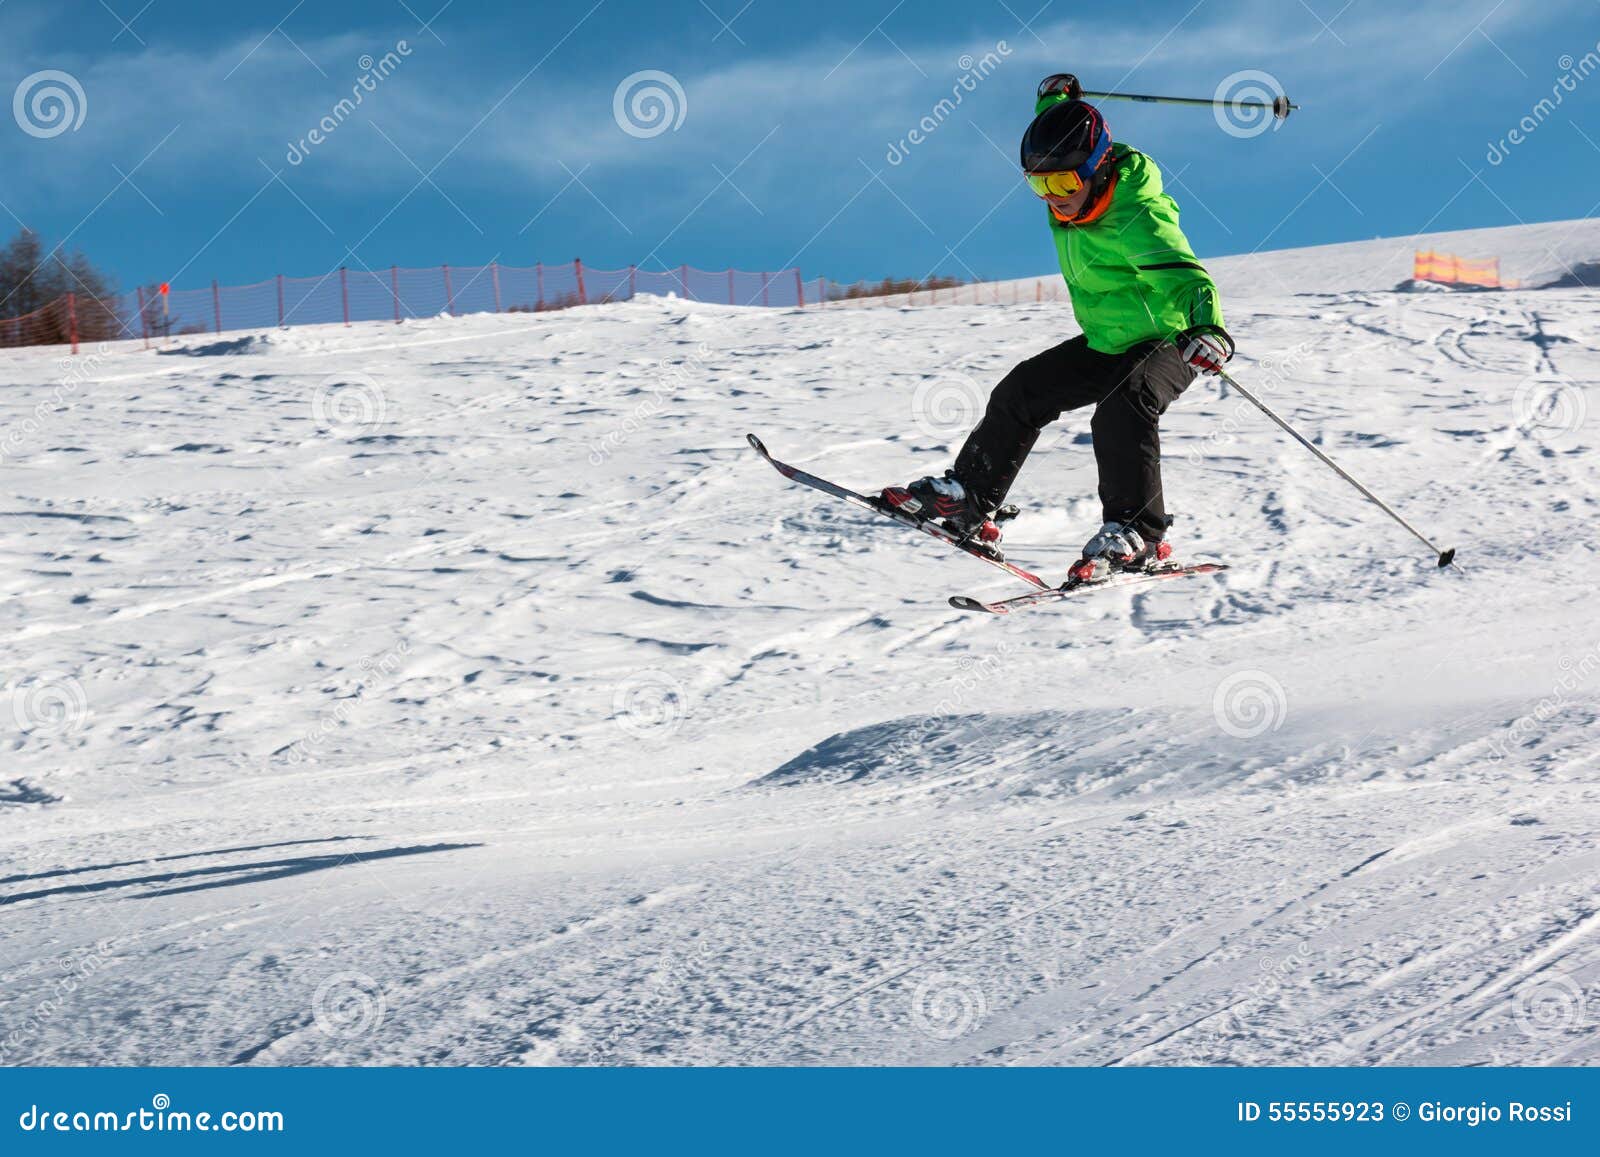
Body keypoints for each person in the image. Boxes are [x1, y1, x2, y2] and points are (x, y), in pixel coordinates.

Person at [881, 75, 1235, 582]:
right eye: (1039, 186)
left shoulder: (1137, 215)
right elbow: (1054, 124)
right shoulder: (1068, 187)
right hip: (1107, 340)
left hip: (1169, 340)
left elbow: (1187, 278)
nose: (1055, 198)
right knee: (1023, 389)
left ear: (1097, 168)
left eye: (1065, 184)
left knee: (1124, 406)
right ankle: (971, 498)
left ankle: (1137, 532)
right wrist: (1056, 99)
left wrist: (1209, 329)